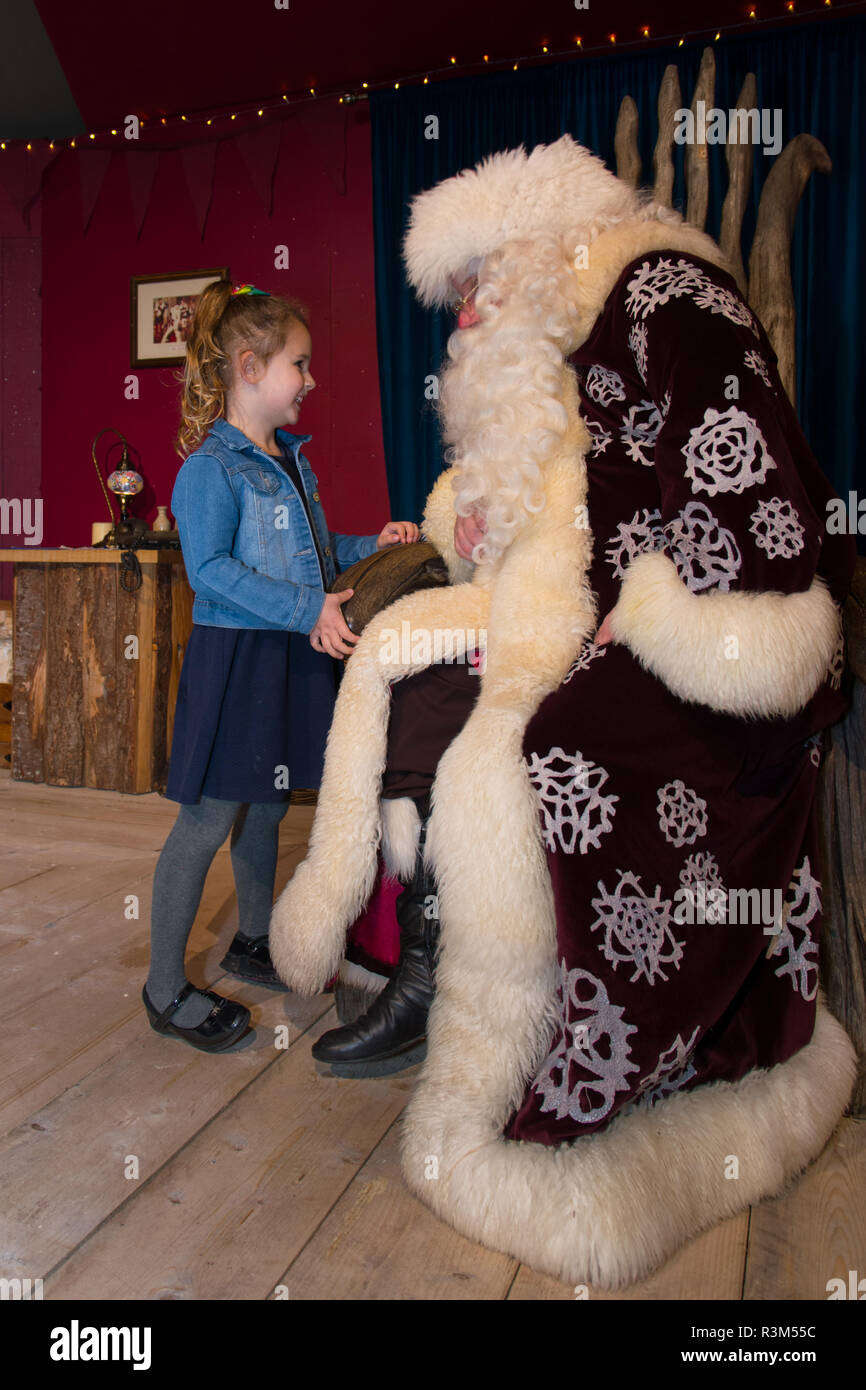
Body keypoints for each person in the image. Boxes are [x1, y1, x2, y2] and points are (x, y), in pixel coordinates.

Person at [270, 136, 858, 1289]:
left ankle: (570, 1066)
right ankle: (433, 973)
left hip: (724, 643)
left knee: (539, 756)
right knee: (429, 691)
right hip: (596, 619)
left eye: (480, 285)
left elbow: (751, 492)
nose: (470, 318)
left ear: (533, 249)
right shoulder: (565, 339)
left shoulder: (663, 291)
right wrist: (468, 526)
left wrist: (644, 609)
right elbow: (542, 492)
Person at [143, 279, 418, 1053]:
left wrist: (374, 547)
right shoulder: (211, 470)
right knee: (205, 821)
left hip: (283, 658)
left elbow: (317, 558)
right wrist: (308, 611)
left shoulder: (293, 463)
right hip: (237, 661)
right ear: (250, 365)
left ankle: (253, 939)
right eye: (301, 364)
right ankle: (163, 987)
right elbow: (211, 572)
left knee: (265, 807)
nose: (311, 380)